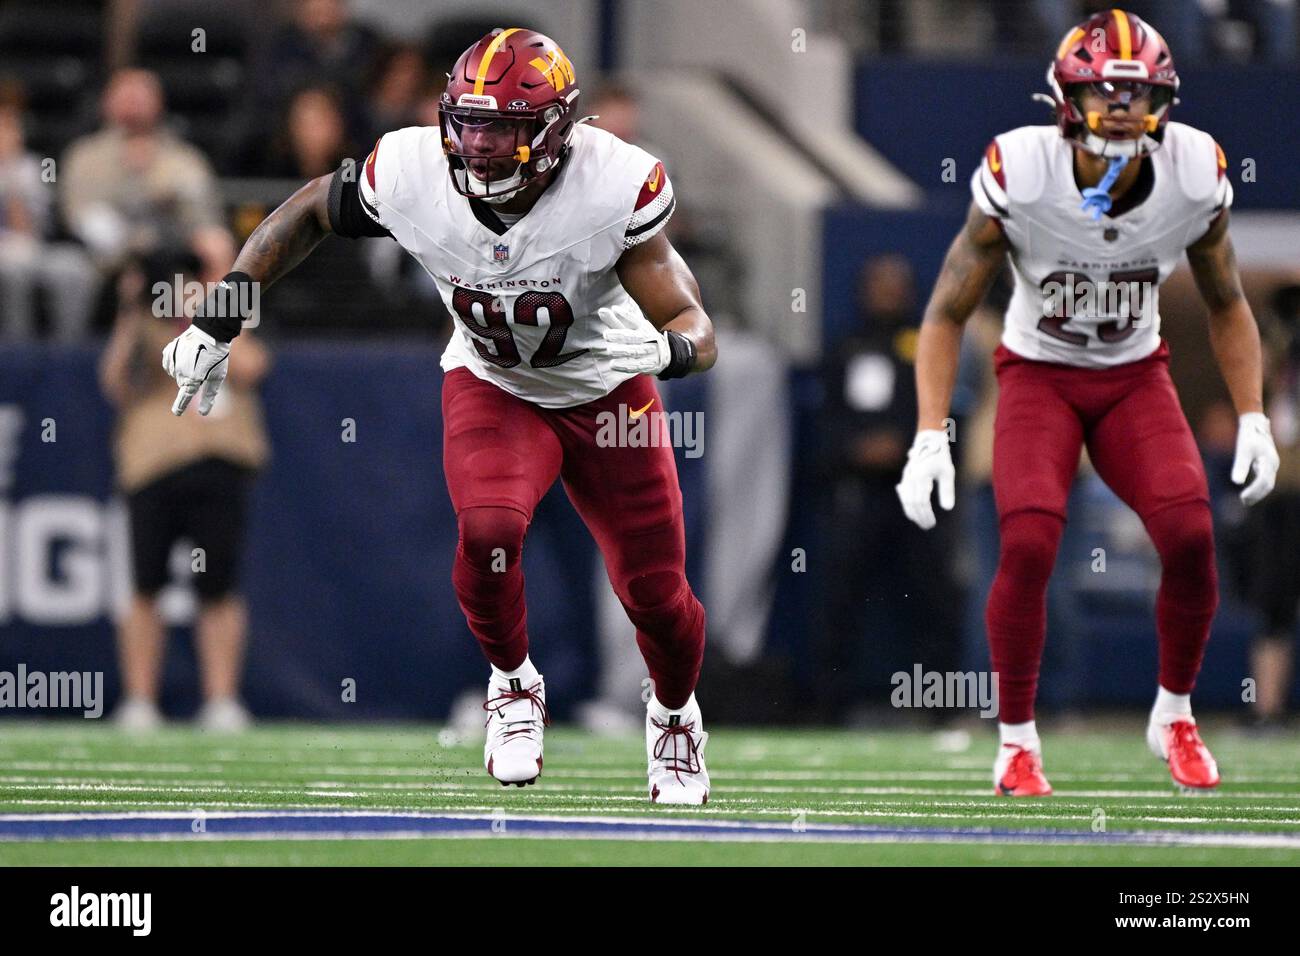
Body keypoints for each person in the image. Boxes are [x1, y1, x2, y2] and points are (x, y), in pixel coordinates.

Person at [158, 29, 717, 804]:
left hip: (609, 390)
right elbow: (309, 210)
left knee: (655, 592)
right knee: (488, 532)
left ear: (555, 130)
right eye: (469, 123)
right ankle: (514, 686)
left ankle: (676, 714)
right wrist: (219, 319)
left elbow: (696, 323)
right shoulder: (415, 168)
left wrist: (669, 355)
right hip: (495, 383)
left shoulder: (613, 183)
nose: (479, 145)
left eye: (504, 128)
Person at [895, 10, 1280, 795]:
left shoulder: (1194, 170)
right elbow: (944, 311)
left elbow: (1229, 300)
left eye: (1139, 96)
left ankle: (1173, 713)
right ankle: (1016, 740)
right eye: (1105, 92)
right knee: (1030, 545)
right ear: (1066, 96)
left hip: (1136, 375)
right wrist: (929, 434)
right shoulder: (1021, 169)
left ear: (1164, 102)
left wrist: (1253, 415)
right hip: (1039, 375)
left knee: (1191, 534)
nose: (1124, 111)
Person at [100, 251, 271, 732]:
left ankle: (221, 699)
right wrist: (132, 311)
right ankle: (139, 699)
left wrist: (212, 308)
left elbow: (253, 368)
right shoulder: (145, 328)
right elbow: (114, 383)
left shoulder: (224, 314)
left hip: (219, 460)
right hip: (153, 464)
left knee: (218, 587)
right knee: (144, 584)